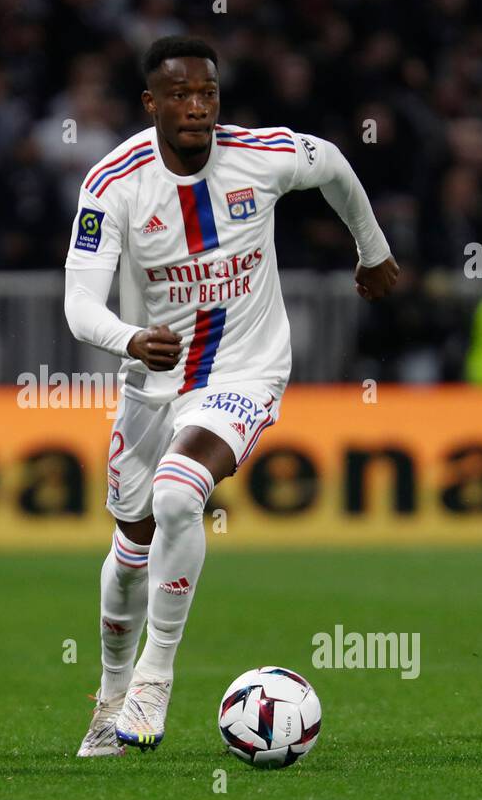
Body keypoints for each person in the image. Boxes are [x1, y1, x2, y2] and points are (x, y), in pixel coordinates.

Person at [64, 37, 398, 755]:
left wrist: (372, 251)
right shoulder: (113, 182)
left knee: (182, 492)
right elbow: (78, 303)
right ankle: (110, 697)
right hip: (152, 384)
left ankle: (156, 677)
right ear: (151, 104)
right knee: (129, 552)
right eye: (180, 96)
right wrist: (126, 340)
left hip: (245, 372)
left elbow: (335, 165)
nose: (196, 108)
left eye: (207, 94)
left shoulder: (262, 153)